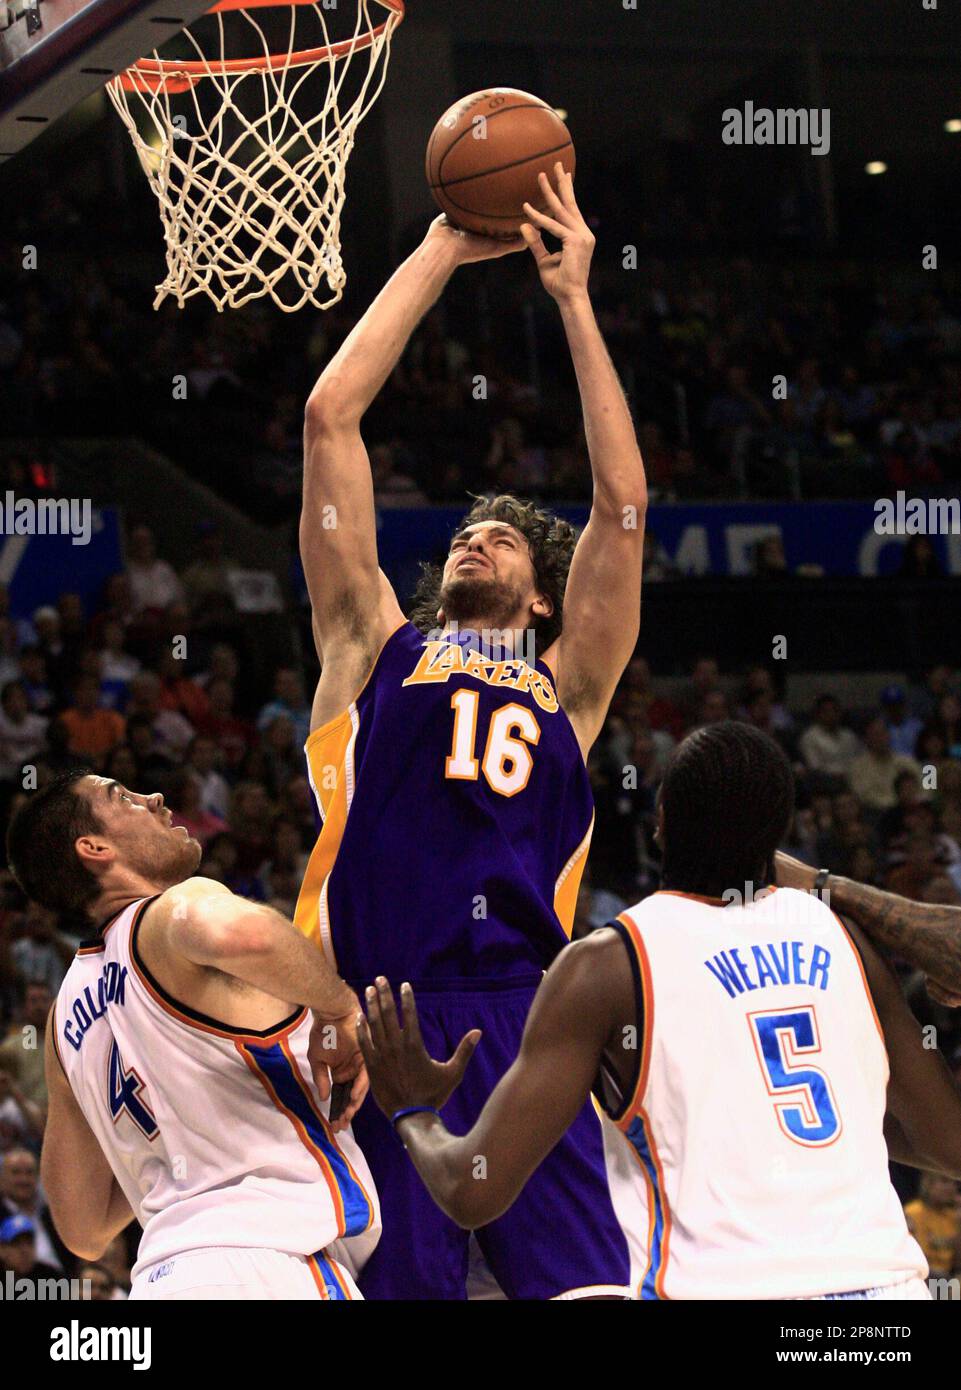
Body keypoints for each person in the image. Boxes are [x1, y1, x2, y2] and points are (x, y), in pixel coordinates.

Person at [297, 164, 647, 1300]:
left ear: (544, 597)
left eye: (503, 539)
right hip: (381, 1015)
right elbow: (329, 417)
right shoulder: (373, 644)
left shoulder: (569, 686)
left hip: (527, 1013)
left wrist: (575, 300)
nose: (477, 539)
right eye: (466, 532)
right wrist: (444, 247)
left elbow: (623, 510)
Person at [357, 722, 961, 1301]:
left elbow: (473, 1188)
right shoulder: (843, 938)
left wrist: (412, 1110)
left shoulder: (607, 966)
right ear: (782, 832)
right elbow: (948, 1143)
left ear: (661, 818)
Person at [5, 770, 379, 1300]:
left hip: (163, 1279)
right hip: (269, 1266)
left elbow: (82, 1228)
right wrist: (342, 1011)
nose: (152, 797)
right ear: (94, 847)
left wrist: (168, 1176)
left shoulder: (63, 1017)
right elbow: (245, 933)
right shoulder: (168, 914)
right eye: (122, 797)